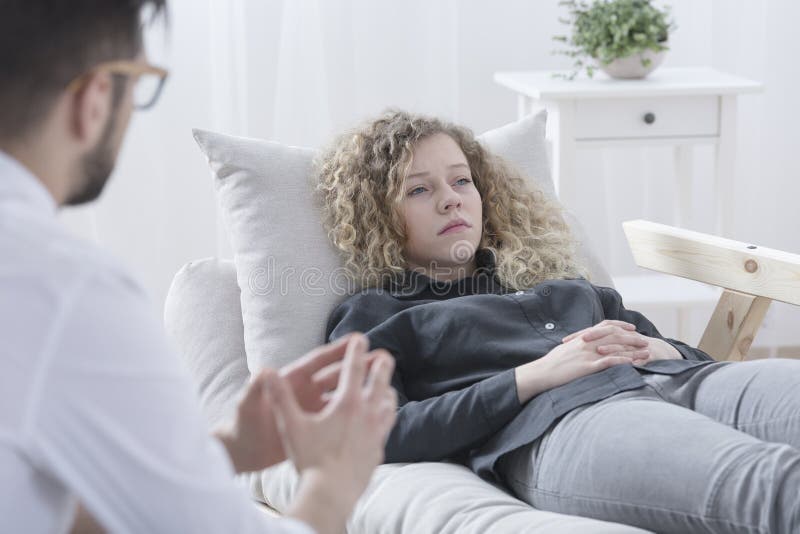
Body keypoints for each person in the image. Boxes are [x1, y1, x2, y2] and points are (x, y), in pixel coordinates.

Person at [0, 2, 397, 533]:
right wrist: (335, 482)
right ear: (95, 98)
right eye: (141, 85)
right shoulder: (64, 291)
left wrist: (225, 450)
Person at [317, 109, 800, 533]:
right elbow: (375, 434)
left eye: (461, 180)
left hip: (679, 382)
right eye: (419, 189)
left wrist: (666, 349)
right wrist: (533, 376)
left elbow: (673, 351)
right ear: (379, 215)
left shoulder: (552, 280)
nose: (451, 199)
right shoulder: (375, 312)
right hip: (563, 425)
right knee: (777, 486)